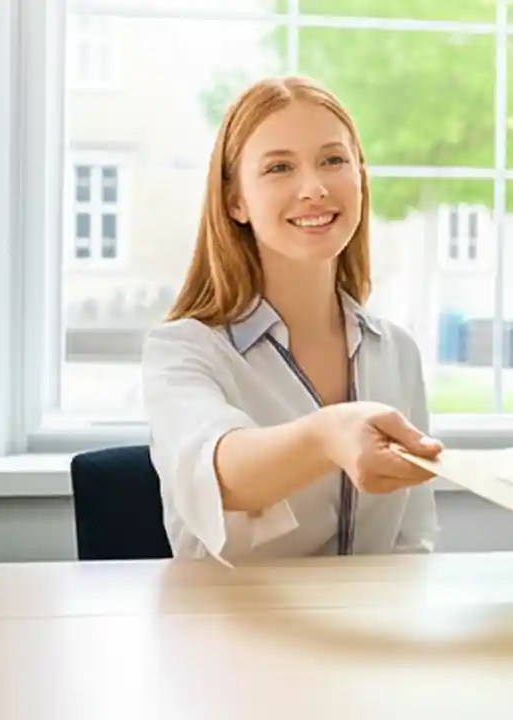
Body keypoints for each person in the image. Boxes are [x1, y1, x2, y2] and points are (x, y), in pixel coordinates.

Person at [142, 76, 441, 563]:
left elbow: (412, 541)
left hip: (371, 631)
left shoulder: (396, 351)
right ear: (235, 200)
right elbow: (217, 475)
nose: (315, 188)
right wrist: (328, 435)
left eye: (333, 160)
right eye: (280, 167)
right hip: (229, 632)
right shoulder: (183, 351)